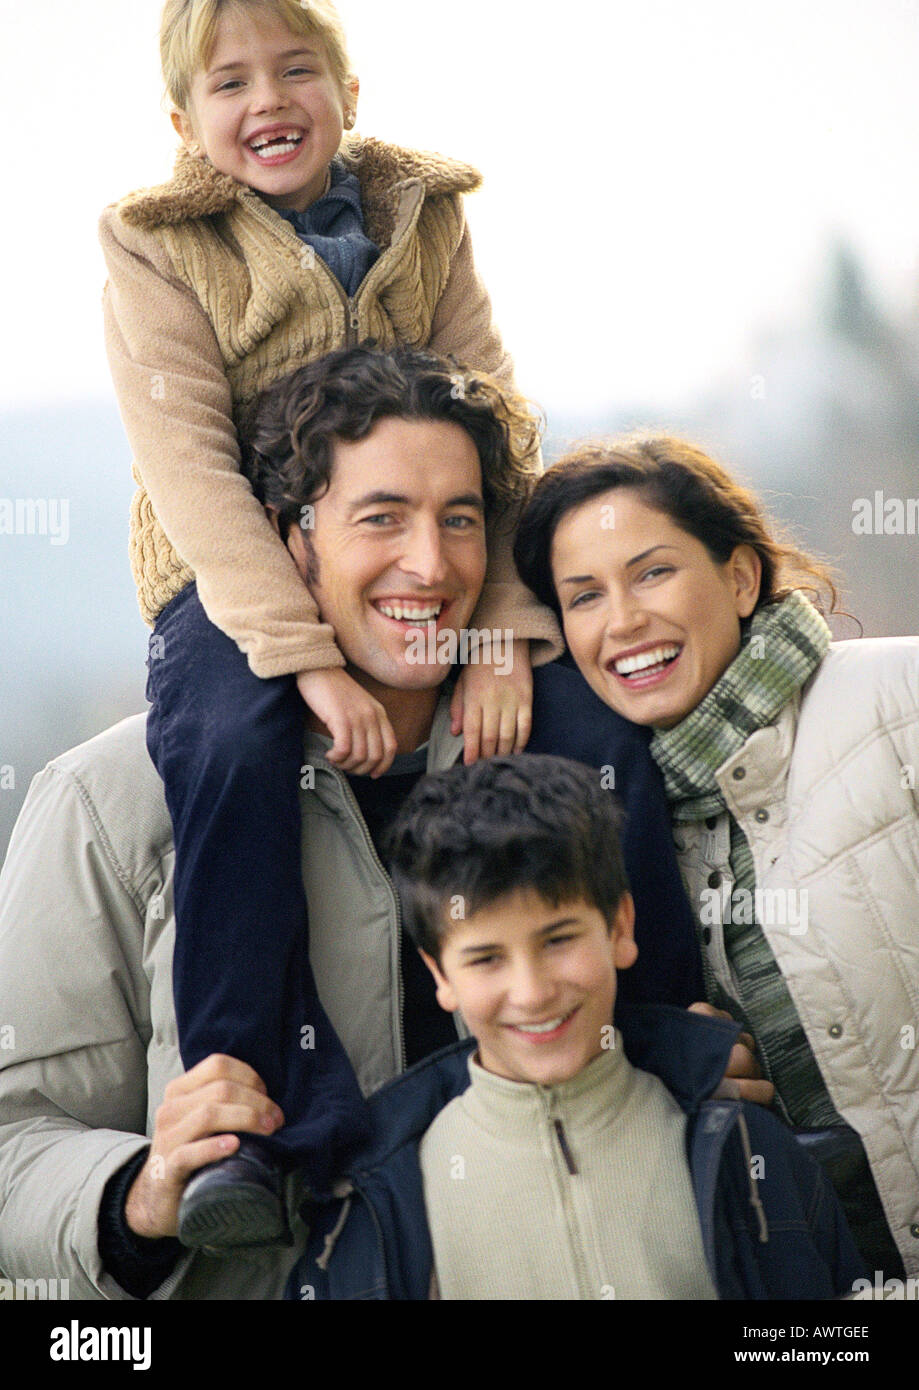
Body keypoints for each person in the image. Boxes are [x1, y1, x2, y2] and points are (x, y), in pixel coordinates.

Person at [0, 349, 716, 1301]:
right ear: (285, 541)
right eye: (381, 518)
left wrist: (714, 1084)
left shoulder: (580, 763)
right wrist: (138, 1192)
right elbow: (15, 1139)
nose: (428, 564)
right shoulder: (110, 802)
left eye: (458, 520)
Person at [99, 0, 560, 1245]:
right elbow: (189, 465)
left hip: (410, 555)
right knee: (238, 749)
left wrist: (505, 620)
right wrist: (299, 659)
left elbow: (497, 417)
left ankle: (656, 1030)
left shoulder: (425, 214)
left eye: (298, 68)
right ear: (187, 124)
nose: (269, 100)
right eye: (230, 81)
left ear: (350, 95)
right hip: (229, 578)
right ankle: (241, 1123)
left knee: (570, 716)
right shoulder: (159, 246)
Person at [511, 432, 919, 1282]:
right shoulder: (613, 845)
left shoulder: (898, 705)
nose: (622, 620)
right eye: (582, 596)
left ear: (739, 578)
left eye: (652, 572)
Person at [288, 754, 864, 1300]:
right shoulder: (372, 1218)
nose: (534, 992)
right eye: (487, 958)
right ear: (440, 974)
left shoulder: (749, 1155)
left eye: (558, 940)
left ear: (619, 927)